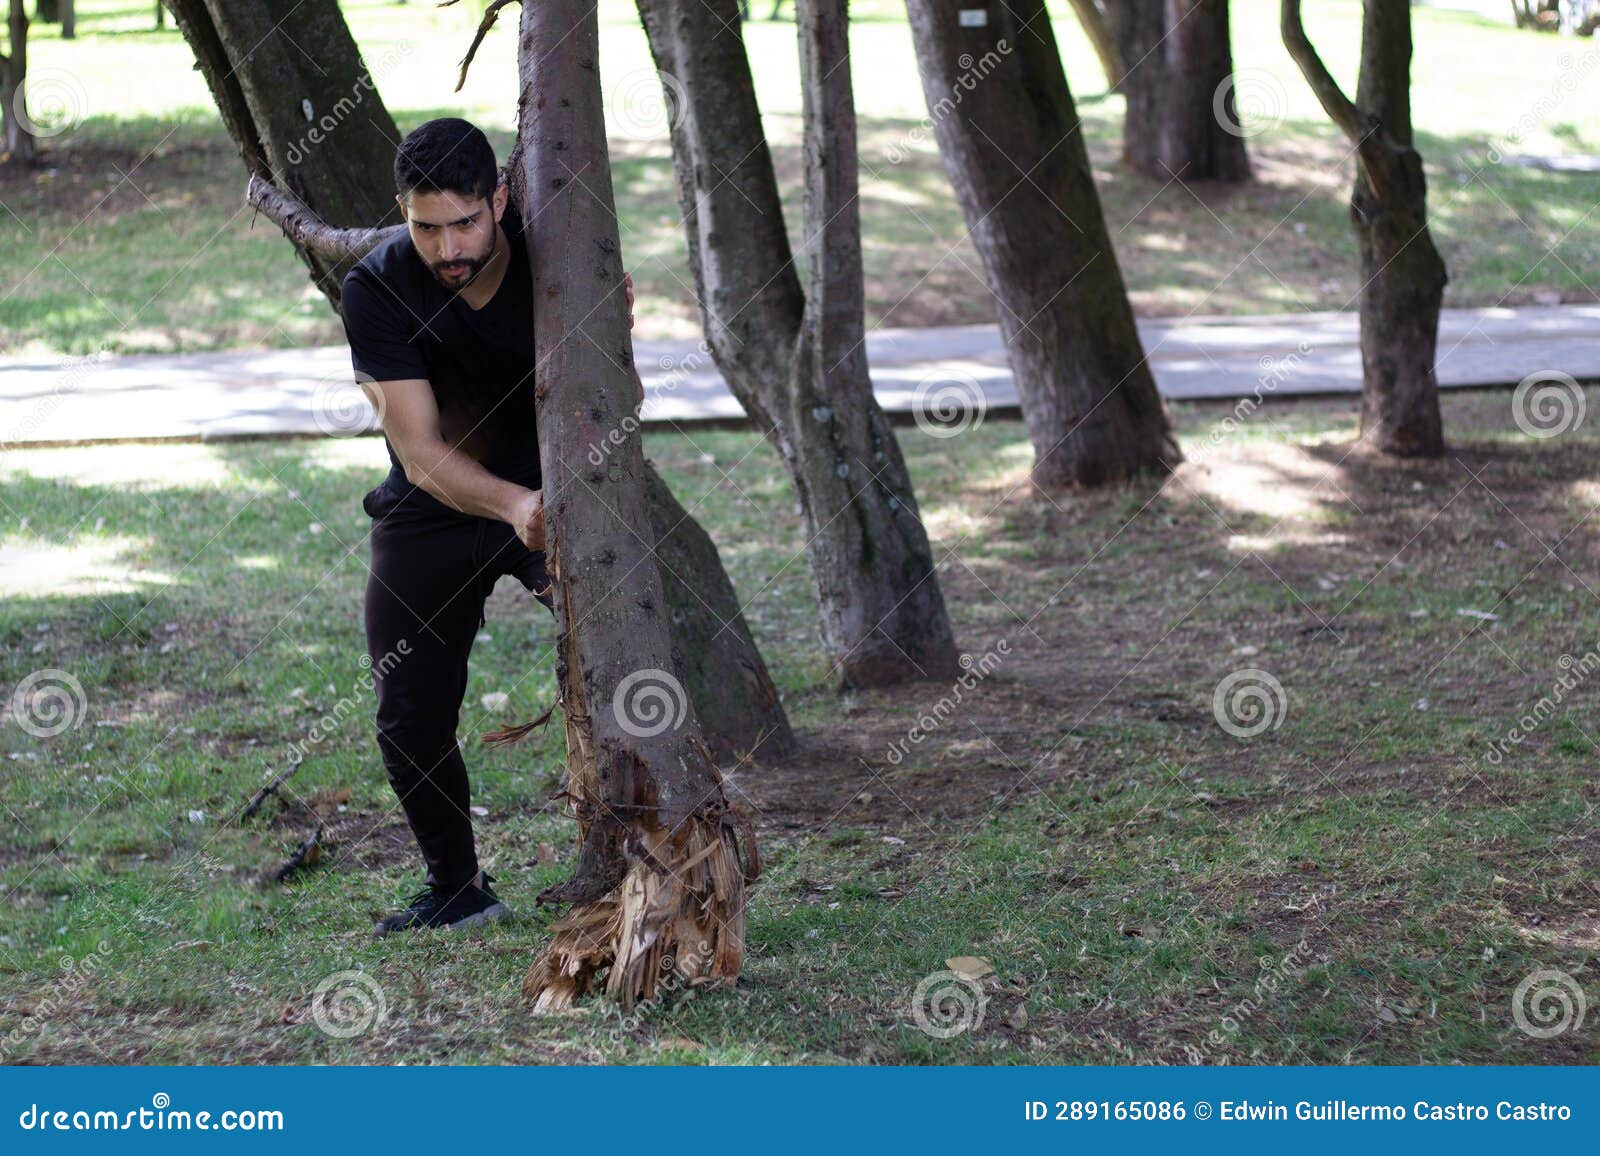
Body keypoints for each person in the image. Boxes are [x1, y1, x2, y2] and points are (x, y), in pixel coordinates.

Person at [339, 117, 639, 936]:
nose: (446, 247)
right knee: (408, 711)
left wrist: (551, 502)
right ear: (401, 211)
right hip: (438, 507)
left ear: (500, 200)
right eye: (424, 225)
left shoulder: (560, 266)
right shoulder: (376, 289)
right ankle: (458, 887)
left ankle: (647, 864)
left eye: (464, 222)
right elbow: (421, 449)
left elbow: (619, 393)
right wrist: (513, 508)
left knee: (630, 673)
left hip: (568, 502)